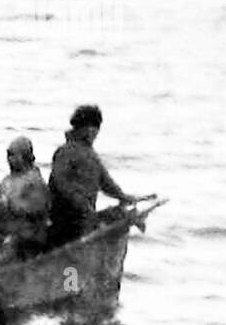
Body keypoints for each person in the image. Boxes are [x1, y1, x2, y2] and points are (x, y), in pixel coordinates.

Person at [47, 105, 149, 247]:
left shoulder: (89, 154)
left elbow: (105, 182)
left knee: (115, 215)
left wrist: (124, 197)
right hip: (66, 218)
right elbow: (60, 182)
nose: (96, 133)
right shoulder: (66, 152)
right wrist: (80, 202)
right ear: (88, 129)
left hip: (84, 216)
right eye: (95, 129)